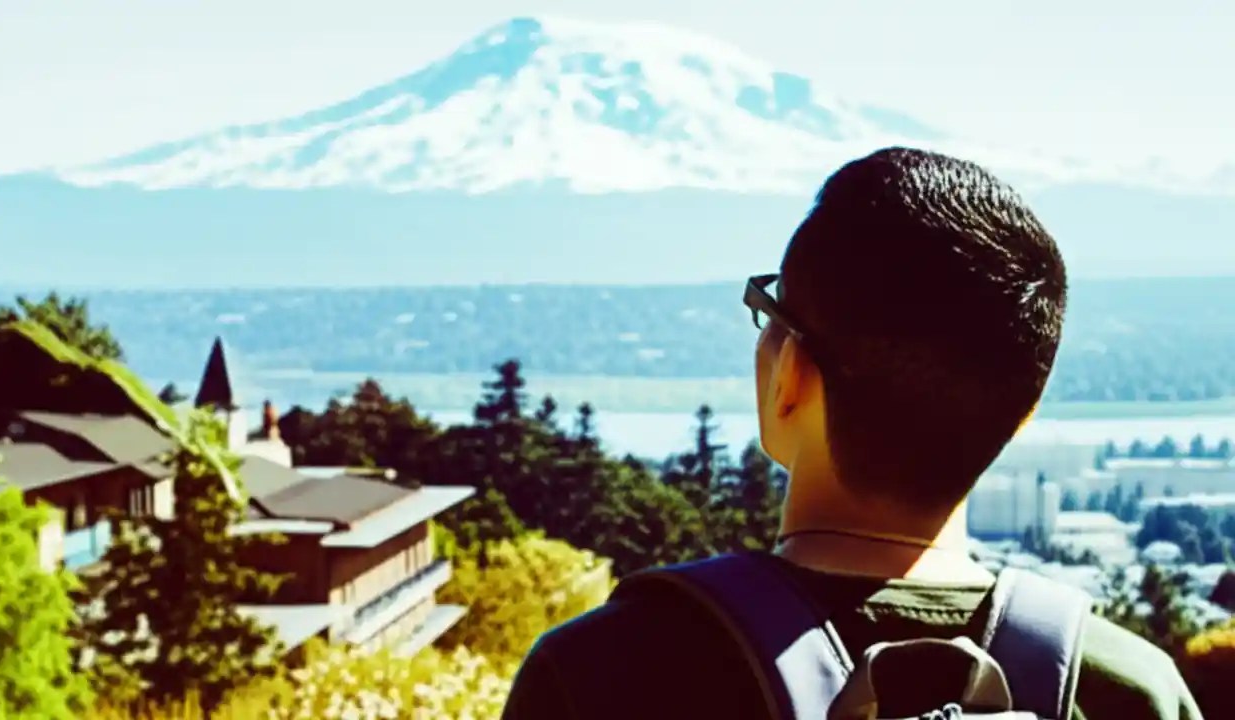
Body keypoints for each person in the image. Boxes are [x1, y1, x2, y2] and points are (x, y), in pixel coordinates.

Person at [500, 147, 1203, 720]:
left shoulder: (605, 673)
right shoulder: (1131, 690)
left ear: (791, 375)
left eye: (768, 311)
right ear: (1024, 413)